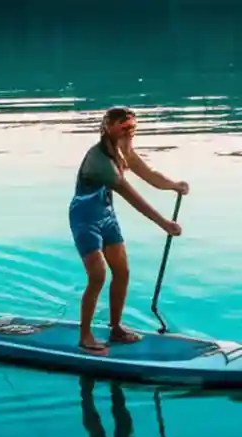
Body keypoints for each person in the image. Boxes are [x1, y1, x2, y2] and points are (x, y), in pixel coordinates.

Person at [68, 107, 189, 355]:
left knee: (122, 272)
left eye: (133, 127)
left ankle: (115, 328)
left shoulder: (124, 152)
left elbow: (149, 174)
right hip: (84, 218)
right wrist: (163, 223)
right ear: (108, 127)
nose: (130, 132)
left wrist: (172, 185)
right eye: (124, 127)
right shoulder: (100, 161)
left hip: (106, 216)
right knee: (98, 275)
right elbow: (132, 196)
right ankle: (85, 336)